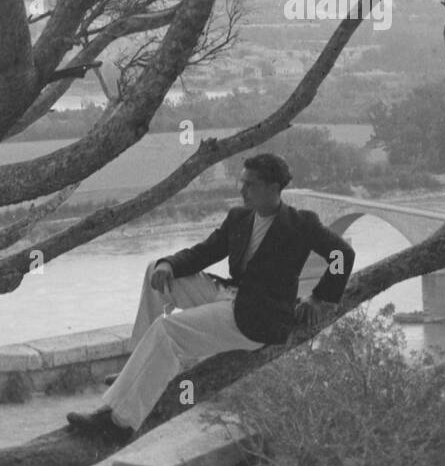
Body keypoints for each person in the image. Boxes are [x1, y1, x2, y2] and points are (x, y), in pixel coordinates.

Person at [66, 152, 356, 438]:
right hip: (227, 295)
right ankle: (135, 369)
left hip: (258, 317)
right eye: (241, 182)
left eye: (250, 184)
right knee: (155, 269)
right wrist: (169, 264)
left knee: (167, 331)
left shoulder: (301, 223)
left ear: (273, 188)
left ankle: (120, 422)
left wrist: (320, 298)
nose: (241, 189)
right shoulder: (239, 218)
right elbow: (205, 252)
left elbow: (342, 254)